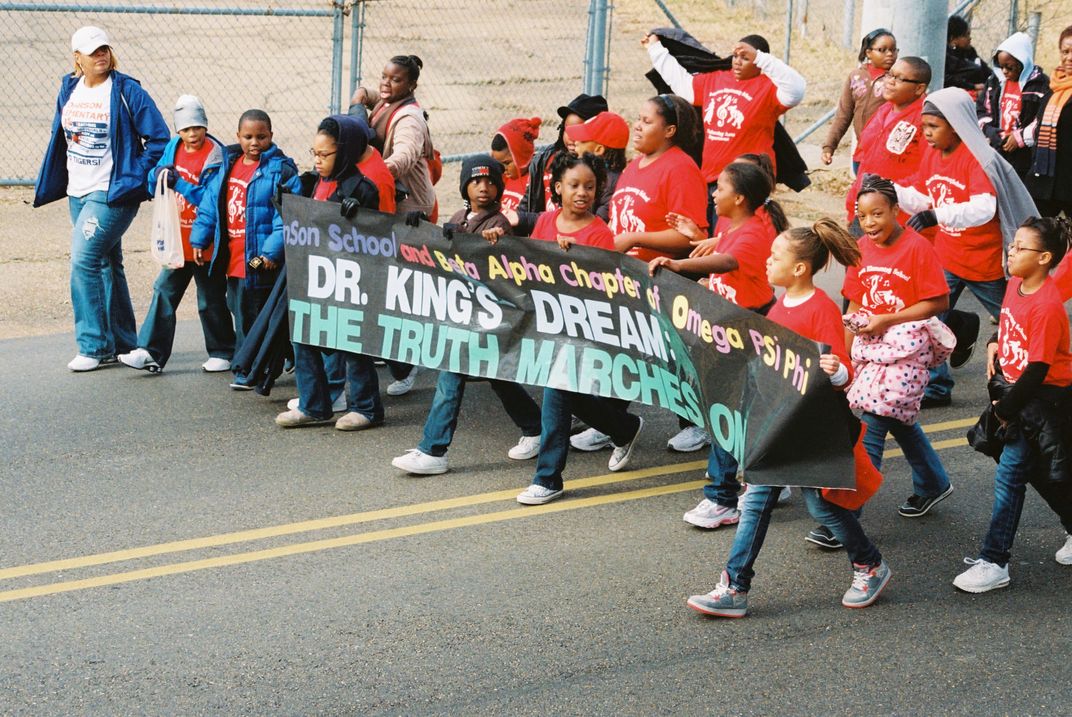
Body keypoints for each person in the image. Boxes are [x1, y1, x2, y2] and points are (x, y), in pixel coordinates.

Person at [686, 220, 892, 616]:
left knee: (822, 508)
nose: (766, 262)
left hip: (810, 429)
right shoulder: (780, 305)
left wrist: (835, 370)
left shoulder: (821, 309)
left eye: (775, 256)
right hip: (779, 425)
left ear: (799, 268)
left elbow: (842, 369)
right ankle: (735, 587)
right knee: (758, 502)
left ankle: (870, 564)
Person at [807, 175, 952, 551]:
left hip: (908, 348)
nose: (870, 223)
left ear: (895, 211)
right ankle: (934, 483)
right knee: (896, 417)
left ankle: (845, 516)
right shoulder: (860, 248)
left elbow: (939, 301)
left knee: (870, 419)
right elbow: (854, 305)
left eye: (877, 214)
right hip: (870, 348)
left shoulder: (917, 248)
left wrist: (889, 319)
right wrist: (846, 358)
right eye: (863, 215)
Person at [648, 161, 789, 527]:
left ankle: (722, 497)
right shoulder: (732, 224)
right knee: (742, 411)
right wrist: (697, 237)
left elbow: (728, 261)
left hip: (748, 328)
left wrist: (679, 266)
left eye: (721, 189)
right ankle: (771, 478)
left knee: (724, 411)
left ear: (740, 198)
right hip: (729, 326)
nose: (714, 193)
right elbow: (722, 252)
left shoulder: (754, 233)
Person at [568, 94, 707, 454]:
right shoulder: (635, 166)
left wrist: (633, 238)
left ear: (670, 130)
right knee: (625, 351)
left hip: (664, 278)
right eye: (638, 118)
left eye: (647, 120)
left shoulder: (680, 168)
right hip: (628, 277)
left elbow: (689, 237)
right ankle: (610, 422)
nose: (638, 125)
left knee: (674, 357)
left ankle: (698, 423)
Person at [391, 154, 542, 474]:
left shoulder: (498, 223)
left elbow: (487, 255)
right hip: (468, 312)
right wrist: (422, 231)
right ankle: (536, 426)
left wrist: (491, 242)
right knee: (499, 377)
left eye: (490, 182)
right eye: (475, 181)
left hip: (490, 314)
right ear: (465, 186)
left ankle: (433, 449)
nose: (483, 188)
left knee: (452, 373)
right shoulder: (461, 216)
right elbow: (444, 250)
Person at [34, 25, 169, 372]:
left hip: (111, 193)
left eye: (105, 49)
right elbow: (60, 137)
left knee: (82, 260)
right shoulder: (69, 88)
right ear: (77, 58)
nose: (101, 56)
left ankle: (92, 345)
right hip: (77, 191)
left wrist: (132, 179)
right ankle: (123, 343)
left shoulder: (127, 91)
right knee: (109, 263)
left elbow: (159, 139)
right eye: (93, 51)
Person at [514, 153, 644, 506]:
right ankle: (623, 428)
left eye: (590, 186)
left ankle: (548, 477)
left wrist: (576, 260)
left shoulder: (599, 233)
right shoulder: (545, 221)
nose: (582, 192)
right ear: (558, 188)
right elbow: (528, 264)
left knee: (557, 391)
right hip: (550, 325)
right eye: (574, 185)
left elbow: (605, 287)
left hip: (583, 331)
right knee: (567, 395)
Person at [895, 87, 1038, 407]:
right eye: (924, 126)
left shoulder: (977, 160)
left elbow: (983, 209)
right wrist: (892, 192)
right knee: (930, 321)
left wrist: (936, 215)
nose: (926, 134)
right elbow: (924, 196)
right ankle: (937, 388)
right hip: (946, 258)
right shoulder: (932, 154)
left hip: (983, 265)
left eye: (933, 127)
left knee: (1016, 320)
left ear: (957, 124)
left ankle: (1041, 375)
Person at [954, 216, 1072, 593]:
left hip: (1040, 401)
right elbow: (1008, 324)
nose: (1011, 250)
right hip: (1015, 393)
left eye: (1021, 248)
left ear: (1044, 258)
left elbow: (1038, 369)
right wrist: (993, 340)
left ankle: (995, 560)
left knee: (1010, 475)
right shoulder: (1016, 285)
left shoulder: (1048, 305)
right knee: (1036, 472)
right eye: (1013, 244)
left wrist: (1004, 412)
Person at [274, 114, 388, 430]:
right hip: (316, 275)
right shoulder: (313, 182)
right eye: (315, 153)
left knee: (352, 342)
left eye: (325, 154)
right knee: (304, 338)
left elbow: (380, 234)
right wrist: (283, 206)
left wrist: (362, 212)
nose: (318, 160)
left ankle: (366, 407)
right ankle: (314, 405)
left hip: (350, 279)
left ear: (346, 152)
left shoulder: (362, 187)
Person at [118, 95, 232, 374]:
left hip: (205, 240)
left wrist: (179, 183)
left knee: (210, 298)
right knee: (164, 292)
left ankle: (222, 351)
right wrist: (158, 175)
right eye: (185, 129)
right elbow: (155, 178)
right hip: (177, 240)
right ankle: (150, 352)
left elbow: (211, 198)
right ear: (178, 130)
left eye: (197, 127)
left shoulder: (216, 156)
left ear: (205, 124)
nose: (192, 134)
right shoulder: (174, 147)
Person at [644, 32, 805, 226]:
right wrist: (655, 49)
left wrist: (761, 57)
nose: (737, 62)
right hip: (711, 179)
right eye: (735, 56)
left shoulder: (769, 88)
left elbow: (797, 89)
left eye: (745, 58)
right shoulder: (715, 79)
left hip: (745, 183)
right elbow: (682, 84)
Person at [189, 109, 300, 354]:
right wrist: (199, 239)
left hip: (260, 258)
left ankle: (247, 366)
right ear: (238, 136)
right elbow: (209, 206)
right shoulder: (229, 165)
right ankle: (280, 354)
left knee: (253, 312)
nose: (254, 143)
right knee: (236, 305)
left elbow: (287, 216)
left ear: (271, 135)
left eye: (261, 137)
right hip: (233, 255)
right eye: (248, 137)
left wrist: (271, 252)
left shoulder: (280, 170)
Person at [349, 55, 436, 219]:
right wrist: (361, 94)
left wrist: (369, 174)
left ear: (411, 85)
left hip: (411, 208)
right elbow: (373, 97)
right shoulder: (389, 100)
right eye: (383, 77)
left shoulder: (409, 121)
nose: (385, 83)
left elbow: (404, 157)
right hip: (390, 196)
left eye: (395, 80)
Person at [845, 57, 930, 225]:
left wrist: (889, 189)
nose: (889, 81)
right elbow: (865, 158)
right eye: (890, 75)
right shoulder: (883, 109)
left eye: (898, 79)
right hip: (865, 206)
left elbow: (927, 172)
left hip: (896, 215)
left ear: (919, 88)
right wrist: (852, 202)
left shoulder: (925, 120)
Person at [512, 93, 608, 234]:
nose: (570, 136)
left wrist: (527, 218)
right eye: (567, 128)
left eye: (578, 129)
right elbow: (527, 205)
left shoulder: (601, 171)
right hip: (542, 242)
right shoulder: (544, 159)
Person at [822, 28, 898, 172]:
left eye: (893, 50)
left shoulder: (898, 78)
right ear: (868, 53)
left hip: (887, 155)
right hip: (861, 154)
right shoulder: (856, 77)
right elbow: (843, 115)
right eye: (882, 50)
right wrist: (829, 146)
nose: (890, 54)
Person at [977, 32, 1051, 179]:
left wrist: (1020, 138)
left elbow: (1042, 119)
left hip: (1025, 155)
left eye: (1009, 67)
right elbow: (982, 111)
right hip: (997, 147)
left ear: (1023, 63)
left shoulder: (1040, 85)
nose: (1004, 71)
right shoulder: (994, 82)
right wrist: (992, 133)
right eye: (1001, 66)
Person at [1025, 25, 1072, 218]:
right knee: (1037, 237)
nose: (1069, 58)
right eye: (1065, 51)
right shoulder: (1052, 88)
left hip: (1068, 184)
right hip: (1045, 183)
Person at [563, 110, 630, 222]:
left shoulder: (611, 185)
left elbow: (594, 225)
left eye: (583, 140)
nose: (576, 142)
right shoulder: (592, 174)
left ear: (598, 150)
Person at [491, 117, 541, 215]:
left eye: (507, 163)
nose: (503, 169)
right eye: (499, 163)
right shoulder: (502, 178)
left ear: (521, 156)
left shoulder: (537, 178)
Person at [944, 15, 991, 95]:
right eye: (966, 35)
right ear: (953, 39)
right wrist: (973, 86)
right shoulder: (946, 57)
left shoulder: (969, 51)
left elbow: (985, 69)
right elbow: (947, 79)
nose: (969, 38)